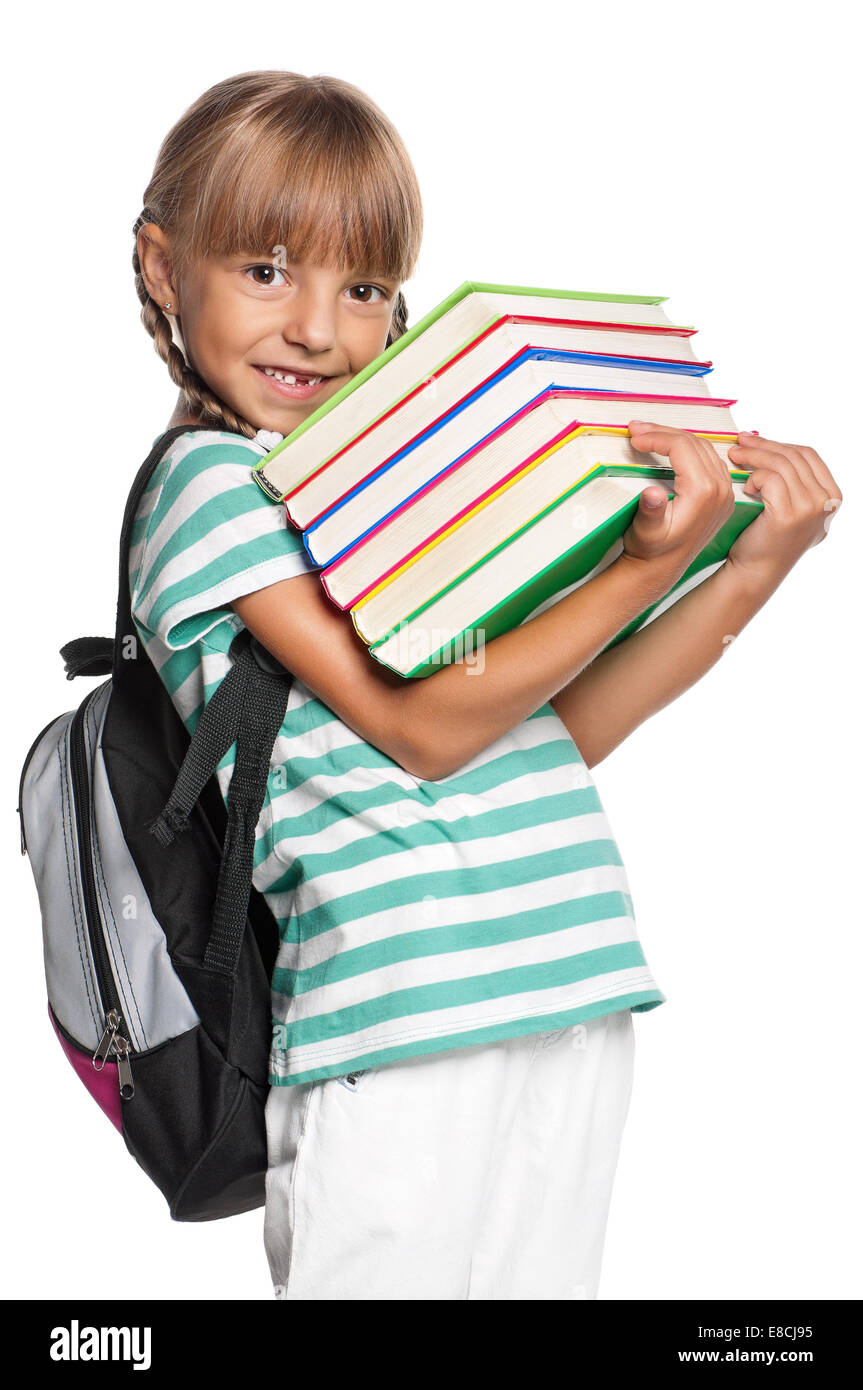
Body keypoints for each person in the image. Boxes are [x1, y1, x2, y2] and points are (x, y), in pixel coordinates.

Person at [130, 69, 841, 1301]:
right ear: (161, 266)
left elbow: (546, 733)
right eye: (265, 269)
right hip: (396, 1017)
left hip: (562, 988)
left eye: (360, 288)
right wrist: (633, 567)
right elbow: (422, 733)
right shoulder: (210, 485)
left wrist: (746, 566)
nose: (314, 327)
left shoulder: (387, 488)